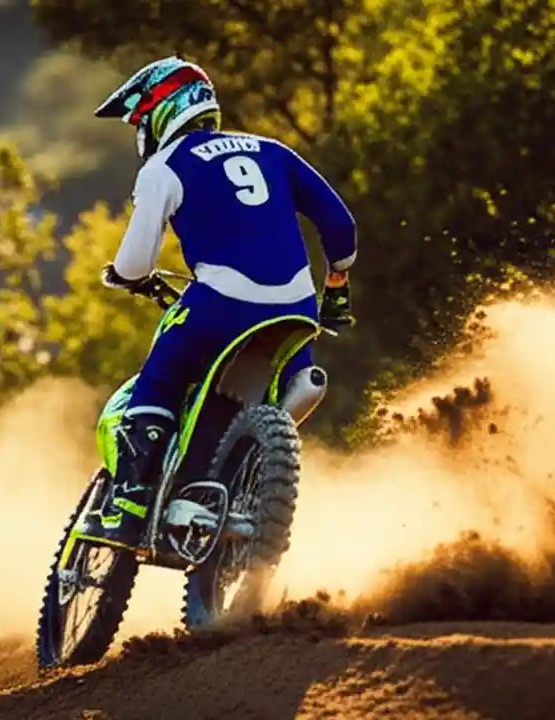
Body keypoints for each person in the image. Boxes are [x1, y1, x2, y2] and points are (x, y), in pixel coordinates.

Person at [88, 56, 358, 548]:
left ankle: (127, 504)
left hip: (222, 305)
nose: (141, 133)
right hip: (298, 311)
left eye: (142, 120)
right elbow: (341, 227)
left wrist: (125, 278)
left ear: (163, 111)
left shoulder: (164, 167)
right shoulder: (273, 151)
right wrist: (336, 285)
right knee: (294, 385)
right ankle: (242, 480)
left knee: (163, 375)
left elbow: (134, 264)